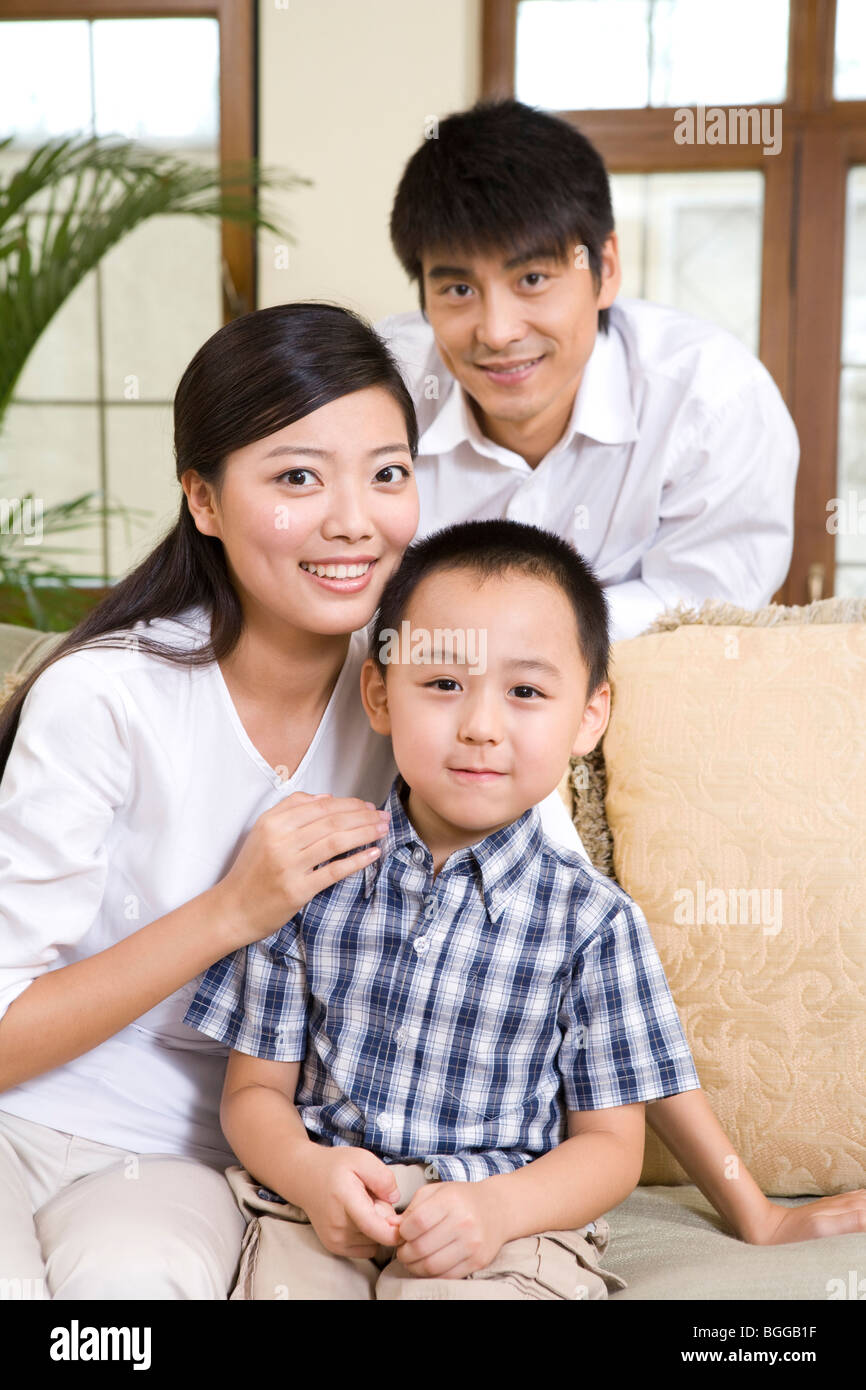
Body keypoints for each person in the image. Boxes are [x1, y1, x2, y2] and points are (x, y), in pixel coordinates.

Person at [0, 302, 566, 1300]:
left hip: (178, 1160)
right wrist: (231, 910)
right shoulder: (104, 697)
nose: (354, 519)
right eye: (297, 476)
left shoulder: (427, 697)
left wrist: (741, 1194)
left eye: (386, 473)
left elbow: (577, 931)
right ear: (204, 500)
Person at [185, 519, 866, 1303]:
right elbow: (253, 1094)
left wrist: (497, 1208)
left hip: (510, 1229)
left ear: (588, 715)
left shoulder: (591, 922)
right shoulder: (312, 879)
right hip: (319, 1215)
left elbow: (612, 1145)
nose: (480, 726)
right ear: (379, 692)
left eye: (526, 692)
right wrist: (309, 1172)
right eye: (443, 685)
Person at [377, 98, 800, 644]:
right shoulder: (377, 387)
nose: (497, 331)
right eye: (459, 289)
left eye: (532, 279)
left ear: (606, 270)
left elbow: (702, 614)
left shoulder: (714, 403)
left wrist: (495, 629)